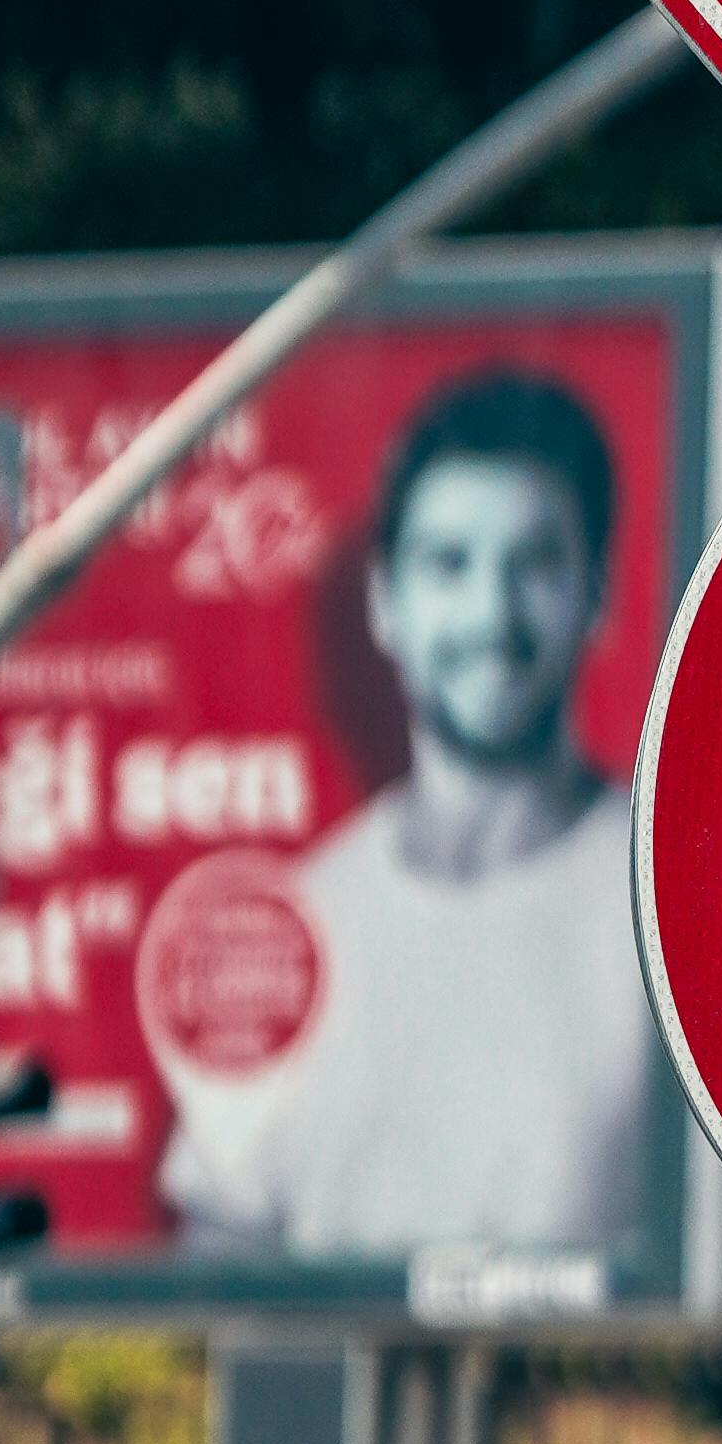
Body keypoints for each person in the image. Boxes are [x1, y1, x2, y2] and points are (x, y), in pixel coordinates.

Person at [158, 365, 662, 1259]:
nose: (490, 613)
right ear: (384, 604)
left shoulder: (679, 917)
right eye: (448, 564)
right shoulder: (302, 923)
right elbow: (221, 1256)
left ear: (598, 591)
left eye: (535, 562)